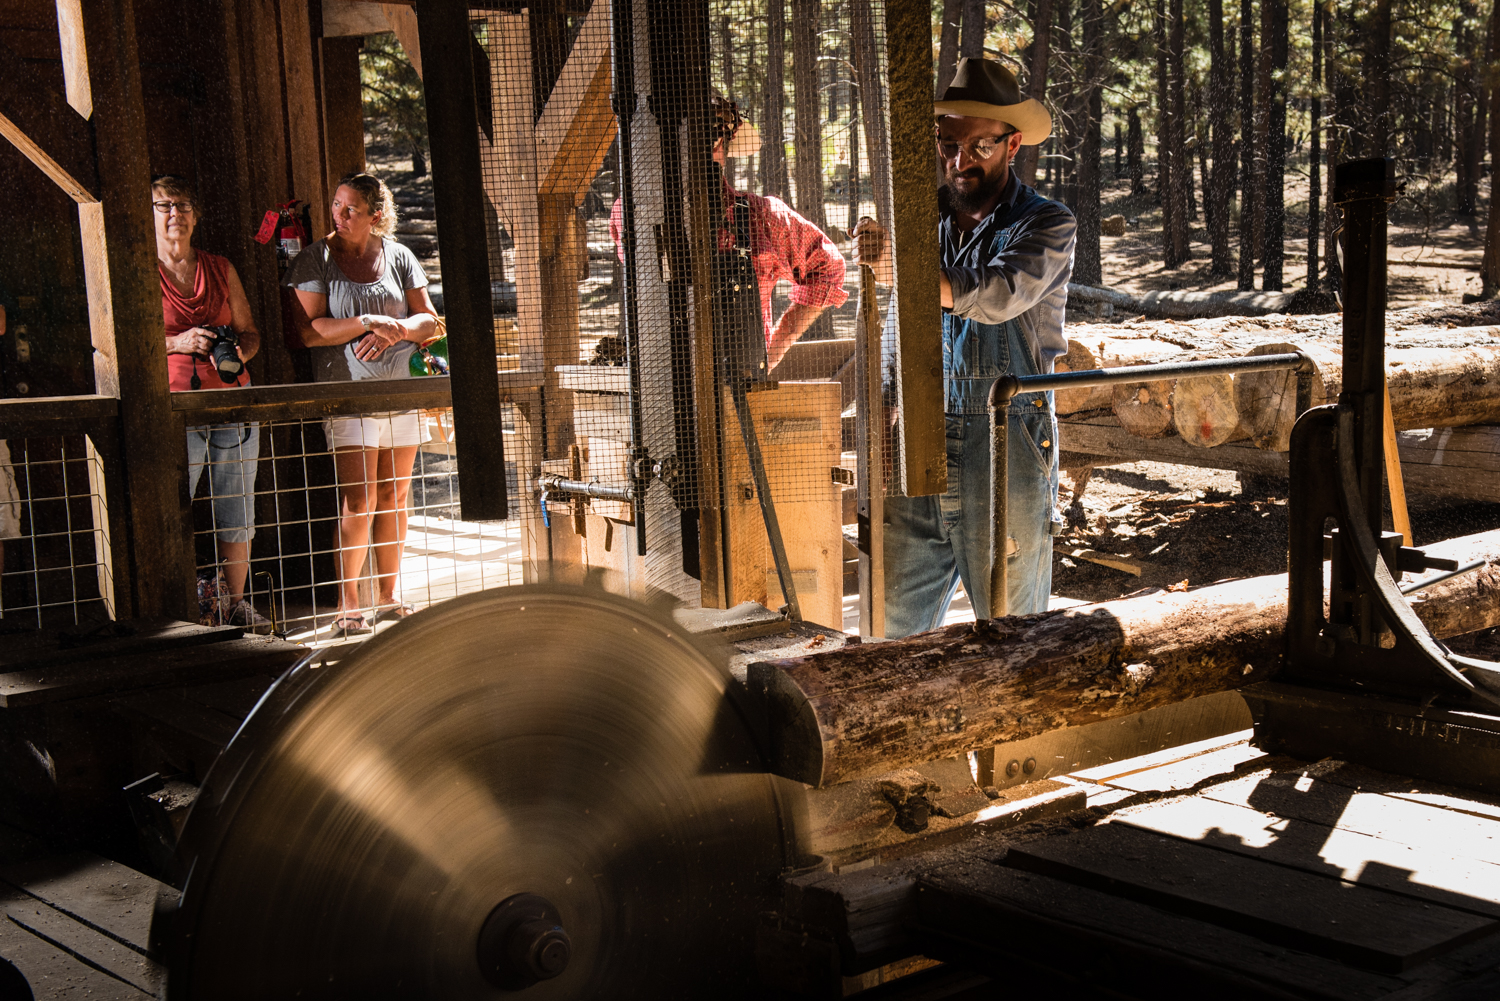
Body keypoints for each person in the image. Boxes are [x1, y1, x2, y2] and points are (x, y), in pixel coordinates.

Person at [854, 57, 1076, 636]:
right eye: (948, 144)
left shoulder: (1046, 224)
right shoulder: (924, 220)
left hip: (1005, 442)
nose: (960, 160)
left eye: (979, 145)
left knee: (1012, 635)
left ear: (1013, 143)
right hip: (918, 435)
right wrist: (881, 413)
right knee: (889, 633)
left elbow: (997, 294)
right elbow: (899, 326)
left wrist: (900, 267)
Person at [285, 172, 438, 636]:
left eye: (351, 209)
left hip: (401, 394)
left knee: (394, 498)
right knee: (360, 500)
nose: (340, 215)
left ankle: (389, 597)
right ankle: (348, 603)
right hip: (348, 396)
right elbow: (310, 331)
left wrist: (397, 329)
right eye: (336, 205)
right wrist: (368, 320)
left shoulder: (400, 255)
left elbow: (431, 322)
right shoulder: (316, 258)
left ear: (376, 215)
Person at [609, 96, 848, 368]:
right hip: (669, 381)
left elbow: (829, 268)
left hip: (715, 386)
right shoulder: (763, 217)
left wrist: (772, 352)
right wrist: (773, 351)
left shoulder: (761, 217)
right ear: (723, 147)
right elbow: (830, 268)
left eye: (706, 140)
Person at [153, 175, 272, 633]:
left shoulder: (220, 268)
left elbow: (251, 333)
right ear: (149, 216)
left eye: (181, 205)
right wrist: (179, 341)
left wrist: (238, 352)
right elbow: (122, 342)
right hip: (175, 409)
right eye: (162, 206)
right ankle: (177, 611)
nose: (173, 214)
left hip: (233, 405)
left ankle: (235, 604)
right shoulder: (141, 270)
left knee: (237, 506)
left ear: (196, 215)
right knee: (172, 508)